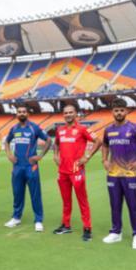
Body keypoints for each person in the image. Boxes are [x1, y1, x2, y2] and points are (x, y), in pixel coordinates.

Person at [100, 98, 136, 250]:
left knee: (134, 206)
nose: (119, 113)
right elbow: (104, 145)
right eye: (116, 110)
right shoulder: (108, 130)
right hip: (113, 174)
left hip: (131, 174)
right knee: (115, 205)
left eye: (121, 110)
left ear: (127, 111)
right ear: (112, 112)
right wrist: (104, 160)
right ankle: (116, 232)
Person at [51, 100, 99, 241]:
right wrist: (55, 155)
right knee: (66, 200)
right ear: (63, 115)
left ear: (76, 114)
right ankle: (66, 225)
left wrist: (87, 156)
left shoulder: (83, 129)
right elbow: (56, 144)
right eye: (66, 113)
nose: (68, 115)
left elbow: (98, 141)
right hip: (63, 171)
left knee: (82, 200)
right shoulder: (60, 130)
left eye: (70, 112)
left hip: (76, 170)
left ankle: (87, 228)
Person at [3, 105, 49, 231]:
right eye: (19, 112)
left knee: (35, 194)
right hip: (17, 166)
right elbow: (6, 142)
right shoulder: (14, 128)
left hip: (31, 166)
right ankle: (16, 217)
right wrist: (9, 155)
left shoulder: (34, 127)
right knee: (17, 193)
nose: (21, 113)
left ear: (27, 114)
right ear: (16, 114)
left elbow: (48, 140)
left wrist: (40, 156)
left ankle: (38, 220)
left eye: (24, 111)